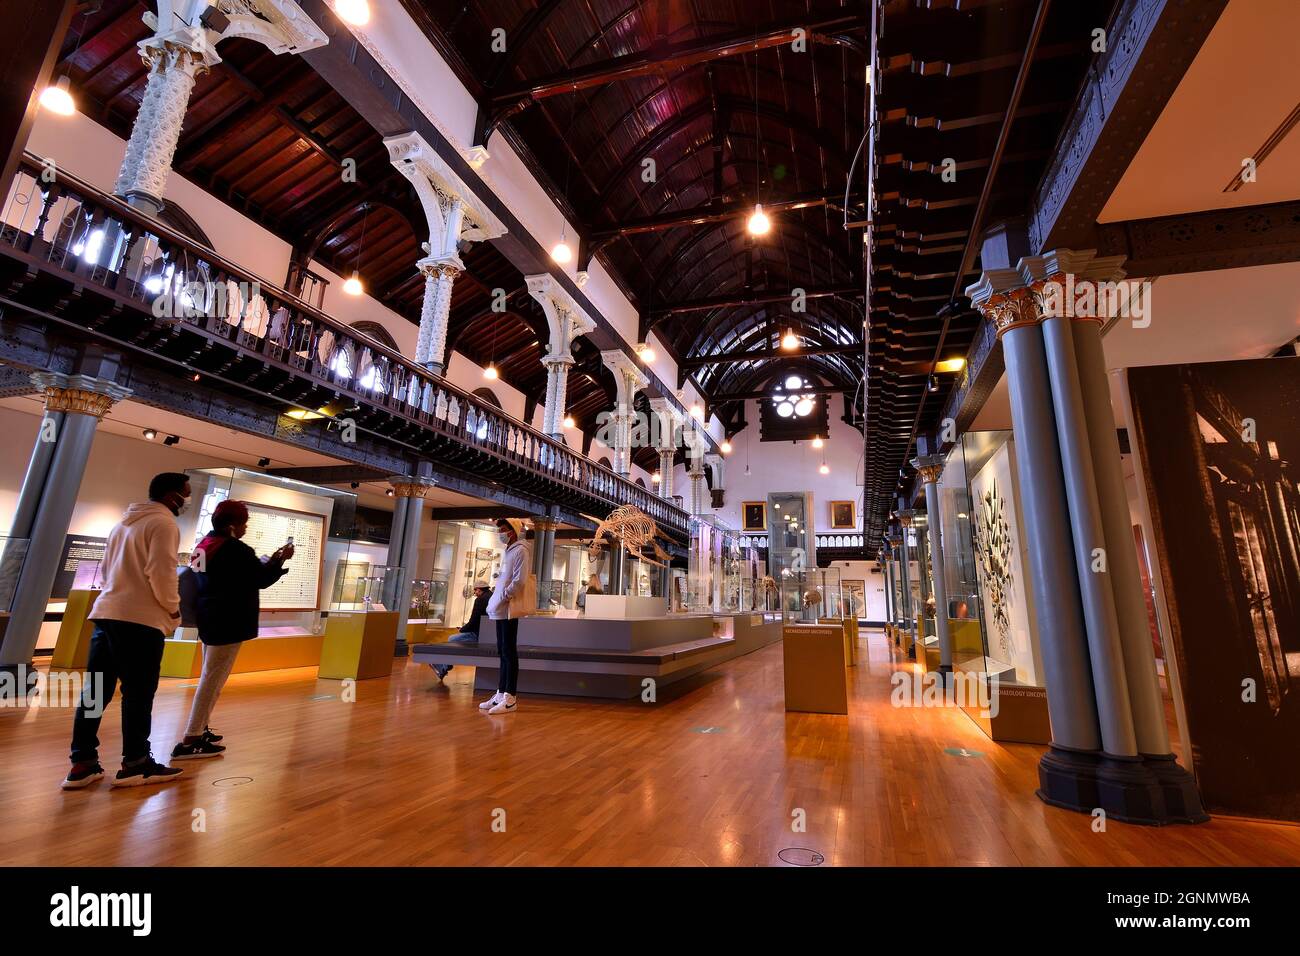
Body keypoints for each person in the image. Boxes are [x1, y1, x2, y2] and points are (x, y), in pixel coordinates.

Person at [63, 472, 191, 789]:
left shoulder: (123, 524)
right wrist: (174, 608)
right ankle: (136, 761)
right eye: (185, 495)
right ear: (172, 496)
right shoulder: (163, 524)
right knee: (137, 694)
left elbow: (106, 571)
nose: (186, 502)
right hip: (139, 621)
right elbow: (162, 572)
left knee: (95, 692)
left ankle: (82, 763)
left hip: (107, 614)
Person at [171, 500, 293, 760]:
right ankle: (191, 738)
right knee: (212, 679)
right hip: (229, 619)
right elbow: (259, 579)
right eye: (243, 523)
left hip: (208, 616)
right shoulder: (236, 550)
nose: (245, 528)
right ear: (232, 525)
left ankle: (200, 727)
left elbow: (208, 577)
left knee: (210, 674)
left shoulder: (204, 545)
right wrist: (279, 561)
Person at [479, 519, 530, 715]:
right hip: (500, 607)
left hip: (508, 607)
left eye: (504, 530)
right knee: (502, 650)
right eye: (499, 529)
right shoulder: (510, 550)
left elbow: (519, 580)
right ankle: (501, 693)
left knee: (509, 651)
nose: (501, 533)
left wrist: (505, 596)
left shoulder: (520, 550)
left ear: (513, 531)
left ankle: (510, 697)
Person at [431, 579, 492, 681]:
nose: (475, 593)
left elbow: (474, 621)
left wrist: (462, 629)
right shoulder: (492, 597)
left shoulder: (480, 600)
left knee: (452, 639)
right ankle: (444, 666)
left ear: (479, 590)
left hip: (478, 635)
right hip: (489, 634)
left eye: (475, 591)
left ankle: (443, 666)